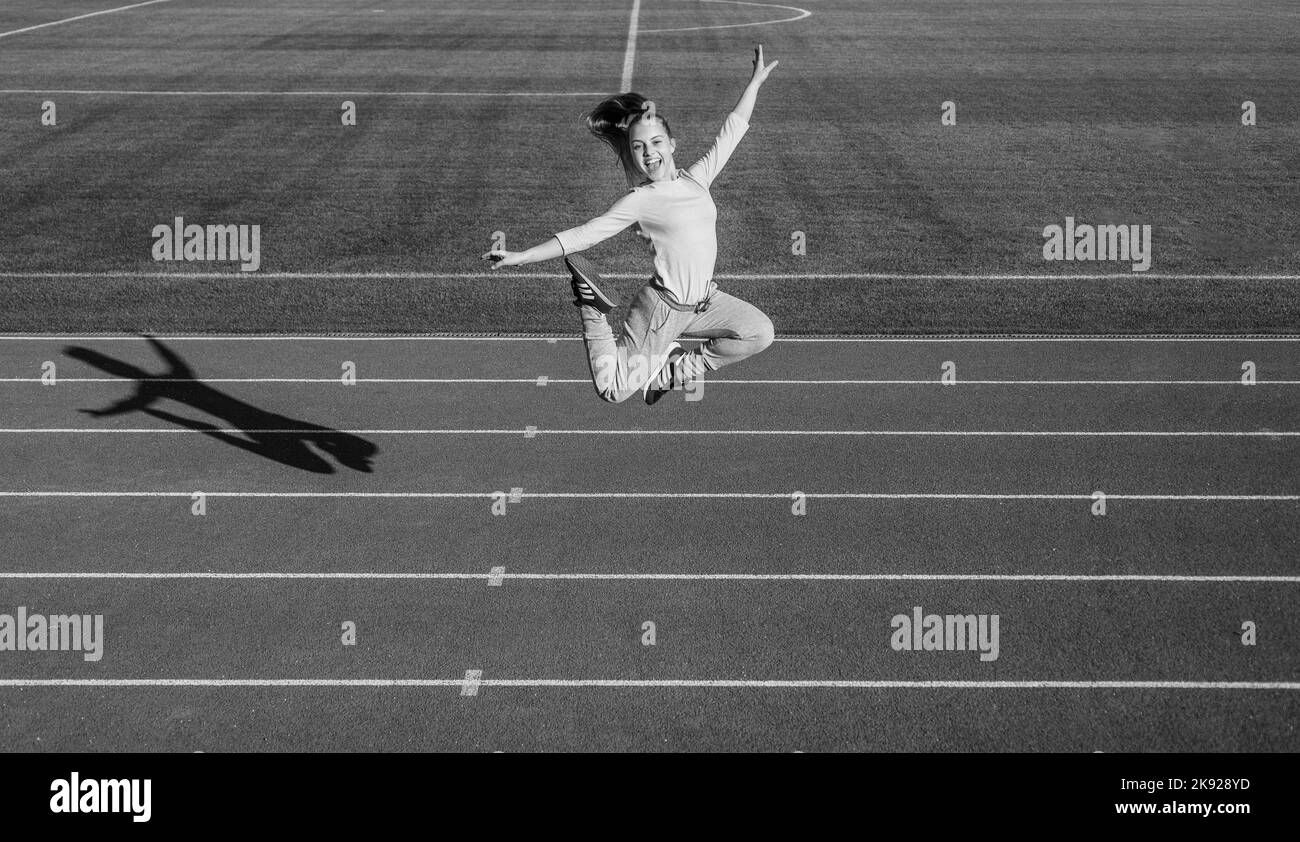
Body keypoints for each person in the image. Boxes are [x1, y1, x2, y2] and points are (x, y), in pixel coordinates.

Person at [482, 45, 779, 405]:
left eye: (655, 142)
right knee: (613, 390)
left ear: (671, 144)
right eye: (638, 147)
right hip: (662, 311)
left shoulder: (697, 178)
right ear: (634, 155)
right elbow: (587, 234)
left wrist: (755, 83)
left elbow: (732, 130)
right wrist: (521, 257)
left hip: (704, 302)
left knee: (759, 332)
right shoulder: (640, 199)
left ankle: (673, 373)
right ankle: (592, 306)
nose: (649, 152)